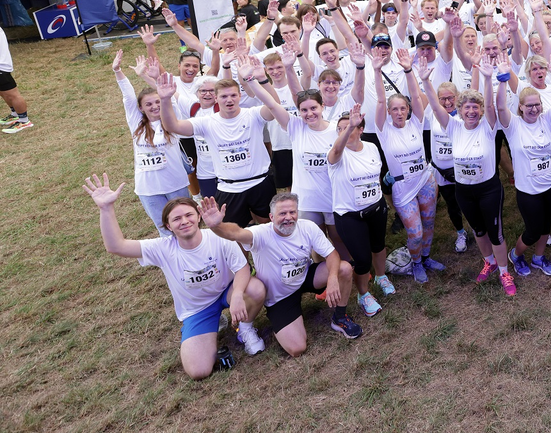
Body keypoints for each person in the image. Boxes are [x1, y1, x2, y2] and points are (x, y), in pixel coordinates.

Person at [86, 173, 266, 379]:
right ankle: (210, 325)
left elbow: (242, 268)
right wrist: (106, 208)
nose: (184, 221)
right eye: (176, 219)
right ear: (168, 226)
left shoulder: (217, 237)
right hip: (198, 309)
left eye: (189, 215)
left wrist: (237, 295)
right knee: (198, 371)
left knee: (255, 289)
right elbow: (116, 246)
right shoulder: (162, 248)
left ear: (199, 217)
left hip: (226, 291)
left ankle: (245, 328)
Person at [199, 192, 363, 351]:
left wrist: (333, 278)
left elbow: (331, 254)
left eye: (292, 212)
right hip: (279, 296)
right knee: (297, 348)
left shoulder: (307, 227)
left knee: (343, 268)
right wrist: (217, 226)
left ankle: (340, 318)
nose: (288, 217)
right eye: (282, 213)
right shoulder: (260, 233)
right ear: (271, 217)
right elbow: (235, 232)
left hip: (305, 277)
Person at [423, 48, 517, 296]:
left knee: (496, 234)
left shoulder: (488, 126)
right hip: (464, 190)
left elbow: (490, 103)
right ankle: (490, 262)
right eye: (467, 108)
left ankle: (505, 271)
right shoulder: (453, 127)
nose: (472, 111)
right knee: (478, 230)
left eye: (476, 108)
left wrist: (487, 78)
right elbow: (434, 107)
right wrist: (424, 80)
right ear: (460, 110)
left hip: (488, 189)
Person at [156, 56, 284, 228]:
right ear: (216, 98)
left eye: (233, 95)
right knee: (234, 235)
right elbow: (173, 126)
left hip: (260, 183)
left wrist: (259, 79)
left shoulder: (253, 114)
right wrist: (165, 100)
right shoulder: (207, 122)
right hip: (229, 189)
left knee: (268, 228)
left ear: (240, 96)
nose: (229, 100)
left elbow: (275, 106)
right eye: (224, 96)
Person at [373, 48, 443, 284]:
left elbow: (415, 95)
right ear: (389, 112)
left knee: (430, 223)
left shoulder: (416, 122)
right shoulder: (384, 130)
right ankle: (415, 263)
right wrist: (376, 70)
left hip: (425, 180)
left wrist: (408, 70)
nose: (399, 112)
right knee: (415, 232)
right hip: (403, 189)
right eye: (395, 109)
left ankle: (425, 257)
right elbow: (381, 99)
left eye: (403, 108)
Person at [499, 51, 551, 279]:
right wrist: (501, 80)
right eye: (528, 106)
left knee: (546, 225)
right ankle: (516, 255)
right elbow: (500, 109)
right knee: (532, 230)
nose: (533, 109)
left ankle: (538, 258)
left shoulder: (547, 119)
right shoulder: (513, 126)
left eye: (537, 105)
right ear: (520, 107)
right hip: (528, 189)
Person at [327, 105, 397, 316]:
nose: (345, 131)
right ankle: (364, 294)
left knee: (378, 246)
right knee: (362, 258)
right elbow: (335, 153)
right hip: (349, 215)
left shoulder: (371, 147)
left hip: (375, 207)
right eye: (340, 129)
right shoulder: (335, 153)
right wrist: (349, 128)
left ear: (361, 129)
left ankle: (381, 276)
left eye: (350, 127)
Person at [112, 51, 190, 234]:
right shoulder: (136, 123)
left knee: (185, 227)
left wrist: (154, 78)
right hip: (148, 189)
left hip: (176, 184)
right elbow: (127, 96)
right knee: (164, 230)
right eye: (148, 104)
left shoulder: (172, 119)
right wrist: (117, 71)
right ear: (140, 108)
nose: (155, 106)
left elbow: (168, 96)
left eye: (157, 102)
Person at [0, 25, 33, 133]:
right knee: (4, 93)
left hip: (1, 67)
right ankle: (15, 114)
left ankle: (24, 121)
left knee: (12, 94)